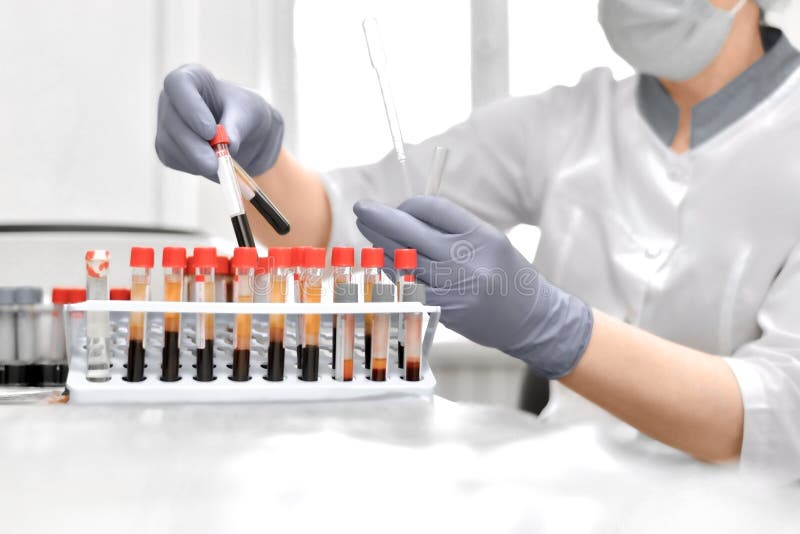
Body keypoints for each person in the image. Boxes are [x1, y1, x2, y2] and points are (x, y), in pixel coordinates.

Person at [155, 0, 800, 478]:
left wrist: (556, 328)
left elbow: (776, 413)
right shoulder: (570, 122)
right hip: (576, 498)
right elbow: (352, 227)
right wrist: (258, 162)